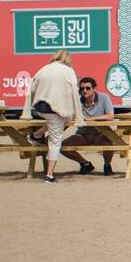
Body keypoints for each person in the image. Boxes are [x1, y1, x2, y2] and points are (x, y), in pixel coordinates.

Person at [22, 50, 84, 183]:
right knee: (55, 142)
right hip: (55, 109)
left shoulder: (43, 69)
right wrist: (78, 111)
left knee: (62, 121)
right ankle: (49, 175)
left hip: (40, 107)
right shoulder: (68, 70)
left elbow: (31, 89)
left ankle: (36, 135)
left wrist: (29, 105)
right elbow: (74, 89)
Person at [61, 77, 115, 175]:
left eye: (88, 88)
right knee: (62, 147)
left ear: (94, 88)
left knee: (110, 143)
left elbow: (110, 116)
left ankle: (107, 165)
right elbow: (69, 117)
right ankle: (85, 164)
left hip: (100, 133)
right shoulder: (76, 100)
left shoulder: (104, 97)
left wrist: (91, 119)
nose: (84, 90)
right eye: (82, 89)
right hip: (82, 135)